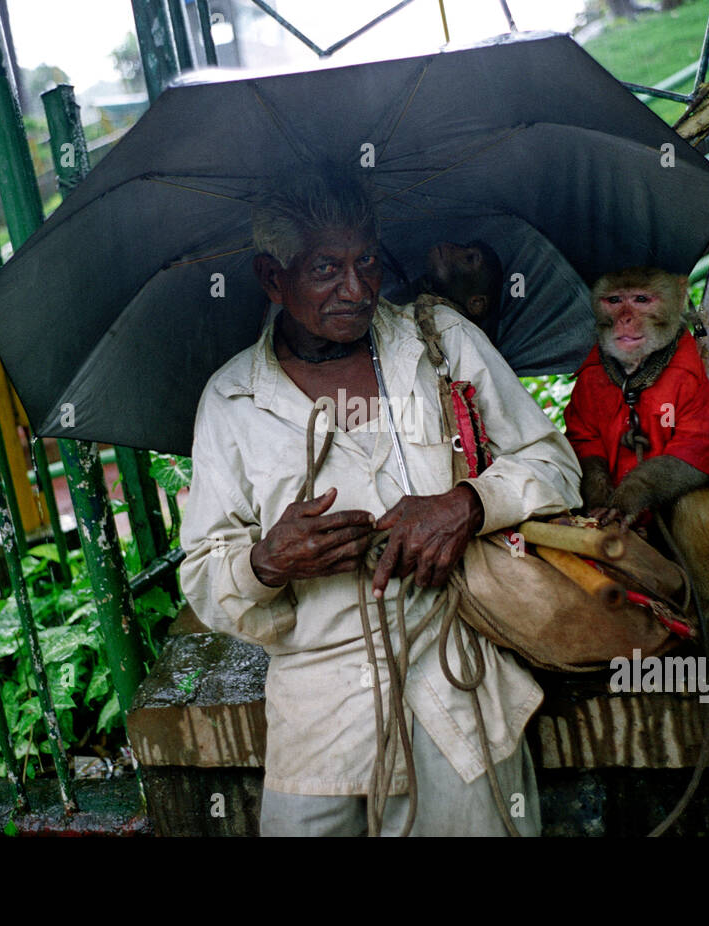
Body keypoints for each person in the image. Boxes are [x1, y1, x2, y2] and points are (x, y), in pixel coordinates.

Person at [179, 168, 581, 836]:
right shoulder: (232, 401)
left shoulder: (438, 342)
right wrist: (266, 562)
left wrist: (468, 503)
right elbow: (202, 572)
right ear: (272, 278)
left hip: (455, 693)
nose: (357, 288)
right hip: (320, 723)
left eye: (366, 260)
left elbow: (554, 465)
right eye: (325, 269)